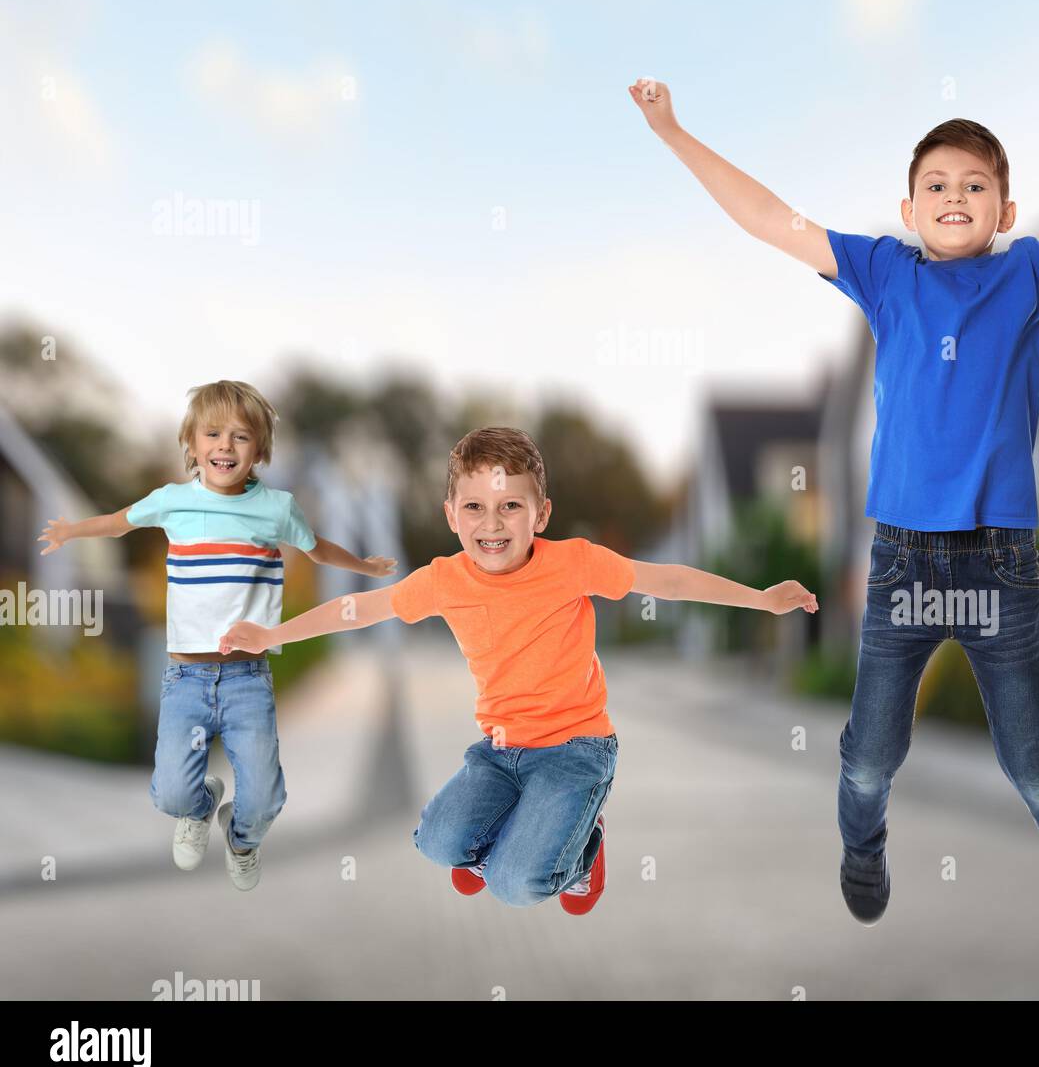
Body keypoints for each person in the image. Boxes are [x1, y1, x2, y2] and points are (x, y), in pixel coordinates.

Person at [628, 74, 1039, 985]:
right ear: (908, 207)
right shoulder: (882, 272)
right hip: (900, 563)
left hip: (998, 563)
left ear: (1005, 208)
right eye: (938, 185)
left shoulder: (1028, 271)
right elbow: (767, 217)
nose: (955, 197)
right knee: (871, 758)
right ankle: (863, 849)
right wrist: (673, 131)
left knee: (1033, 766)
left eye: (975, 185)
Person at [218, 425, 817, 914]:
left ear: (541, 513)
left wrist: (761, 598)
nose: (493, 522)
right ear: (451, 515)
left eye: (510, 506)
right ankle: (523, 834)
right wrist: (273, 634)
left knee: (513, 885)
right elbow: (357, 608)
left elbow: (670, 580)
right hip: (500, 752)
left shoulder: (574, 563)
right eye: (475, 506)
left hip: (577, 748)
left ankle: (583, 852)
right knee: (437, 843)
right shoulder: (442, 580)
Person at [39, 379, 395, 890]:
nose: (225, 445)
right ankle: (201, 803)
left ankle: (242, 838)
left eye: (240, 436)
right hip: (185, 677)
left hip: (248, 678)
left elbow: (317, 550)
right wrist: (72, 531)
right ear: (192, 444)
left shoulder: (277, 508)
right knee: (170, 795)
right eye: (212, 433)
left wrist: (364, 564)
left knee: (265, 797)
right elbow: (119, 523)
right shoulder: (172, 501)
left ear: (260, 451)